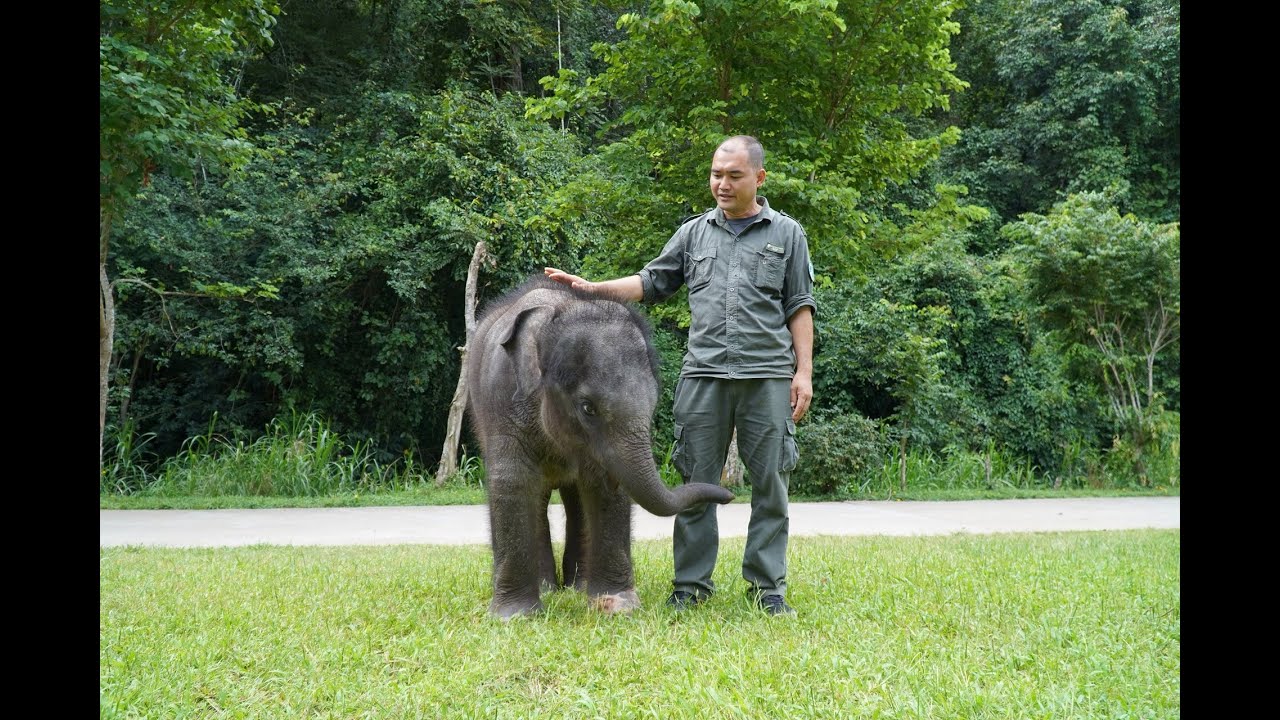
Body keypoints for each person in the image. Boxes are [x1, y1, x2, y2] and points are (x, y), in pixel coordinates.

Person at [544, 135, 815, 616]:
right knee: (695, 481)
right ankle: (690, 586)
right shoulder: (694, 233)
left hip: (767, 376)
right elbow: (652, 282)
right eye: (716, 174)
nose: (722, 184)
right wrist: (591, 288)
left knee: (771, 484)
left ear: (759, 178)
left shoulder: (787, 234)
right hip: (704, 376)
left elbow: (799, 307)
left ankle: (767, 589)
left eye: (734, 175)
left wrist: (804, 373)